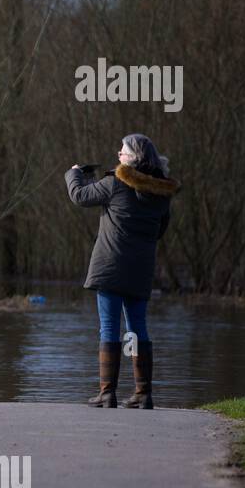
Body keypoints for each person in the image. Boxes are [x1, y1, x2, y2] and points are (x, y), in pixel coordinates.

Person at [65, 134, 181, 408]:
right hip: (140, 270)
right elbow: (160, 231)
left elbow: (80, 196)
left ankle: (107, 393)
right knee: (137, 328)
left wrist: (73, 174)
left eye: (123, 151)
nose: (118, 154)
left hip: (110, 267)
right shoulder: (161, 194)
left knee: (109, 327)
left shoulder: (115, 183)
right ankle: (143, 393)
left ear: (135, 158)